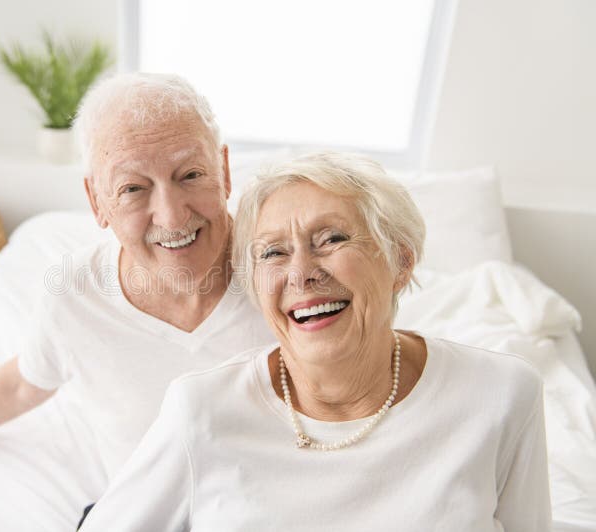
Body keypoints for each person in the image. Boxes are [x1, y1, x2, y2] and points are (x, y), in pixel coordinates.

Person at [80, 151, 551, 531]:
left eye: (331, 239)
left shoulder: (503, 393)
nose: (301, 273)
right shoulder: (201, 409)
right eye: (273, 252)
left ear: (400, 262)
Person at [0, 72, 273, 508]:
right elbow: (24, 383)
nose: (171, 218)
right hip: (143, 508)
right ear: (97, 202)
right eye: (133, 188)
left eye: (190, 174)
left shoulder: (286, 266)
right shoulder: (75, 296)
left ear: (224, 171)